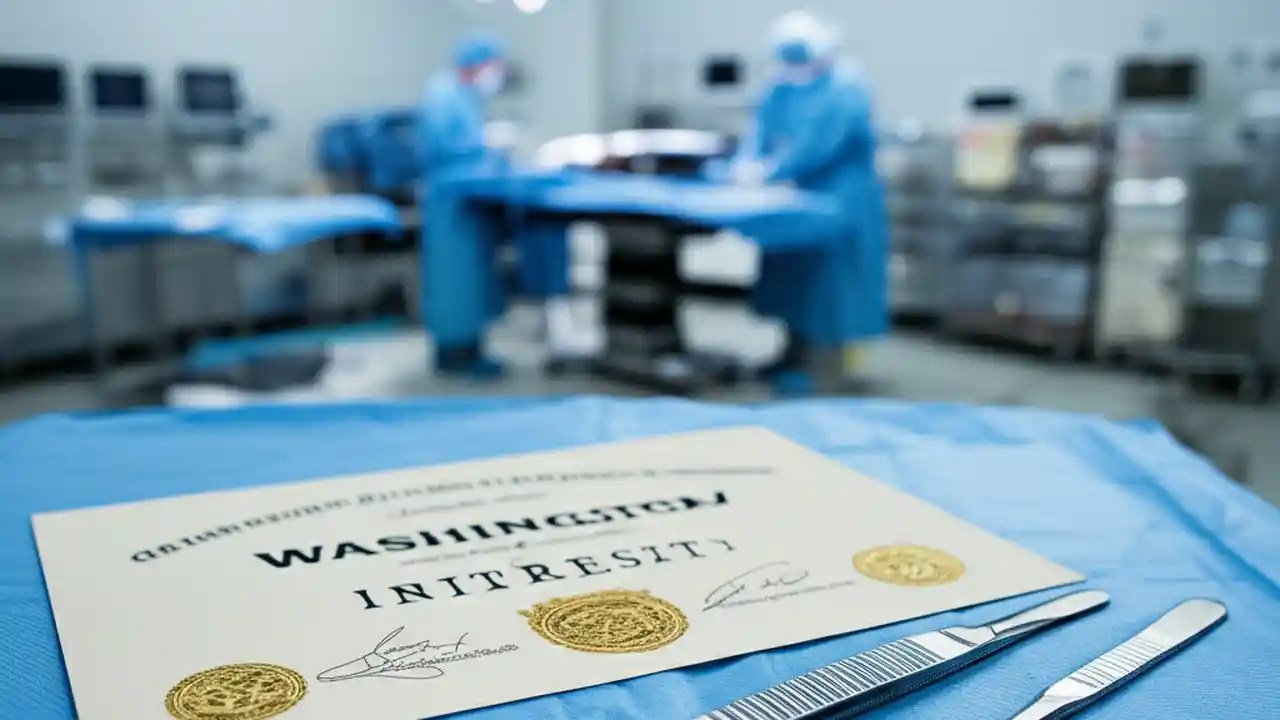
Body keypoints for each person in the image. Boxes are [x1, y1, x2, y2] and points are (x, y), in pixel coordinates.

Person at [733, 11, 887, 394]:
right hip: (793, 194)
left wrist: (770, 172)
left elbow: (819, 146)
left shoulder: (847, 87)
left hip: (842, 198)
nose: (795, 68)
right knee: (793, 281)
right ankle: (790, 356)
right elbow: (760, 131)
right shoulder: (781, 85)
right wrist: (746, 164)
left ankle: (825, 371)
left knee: (831, 288)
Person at [419, 32, 583, 378]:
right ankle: (455, 355)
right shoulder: (444, 94)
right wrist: (492, 146)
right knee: (456, 283)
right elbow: (452, 153)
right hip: (453, 206)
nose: (496, 74)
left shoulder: (461, 95)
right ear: (478, 64)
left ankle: (468, 349)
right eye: (494, 66)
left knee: (473, 282)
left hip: (466, 203)